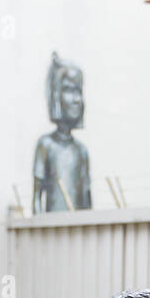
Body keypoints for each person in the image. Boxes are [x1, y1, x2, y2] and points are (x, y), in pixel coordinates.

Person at [32, 53, 92, 212]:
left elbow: (87, 200)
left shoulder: (81, 151)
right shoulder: (46, 145)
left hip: (77, 232)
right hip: (53, 230)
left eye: (78, 92)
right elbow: (36, 198)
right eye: (69, 91)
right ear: (57, 94)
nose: (76, 100)